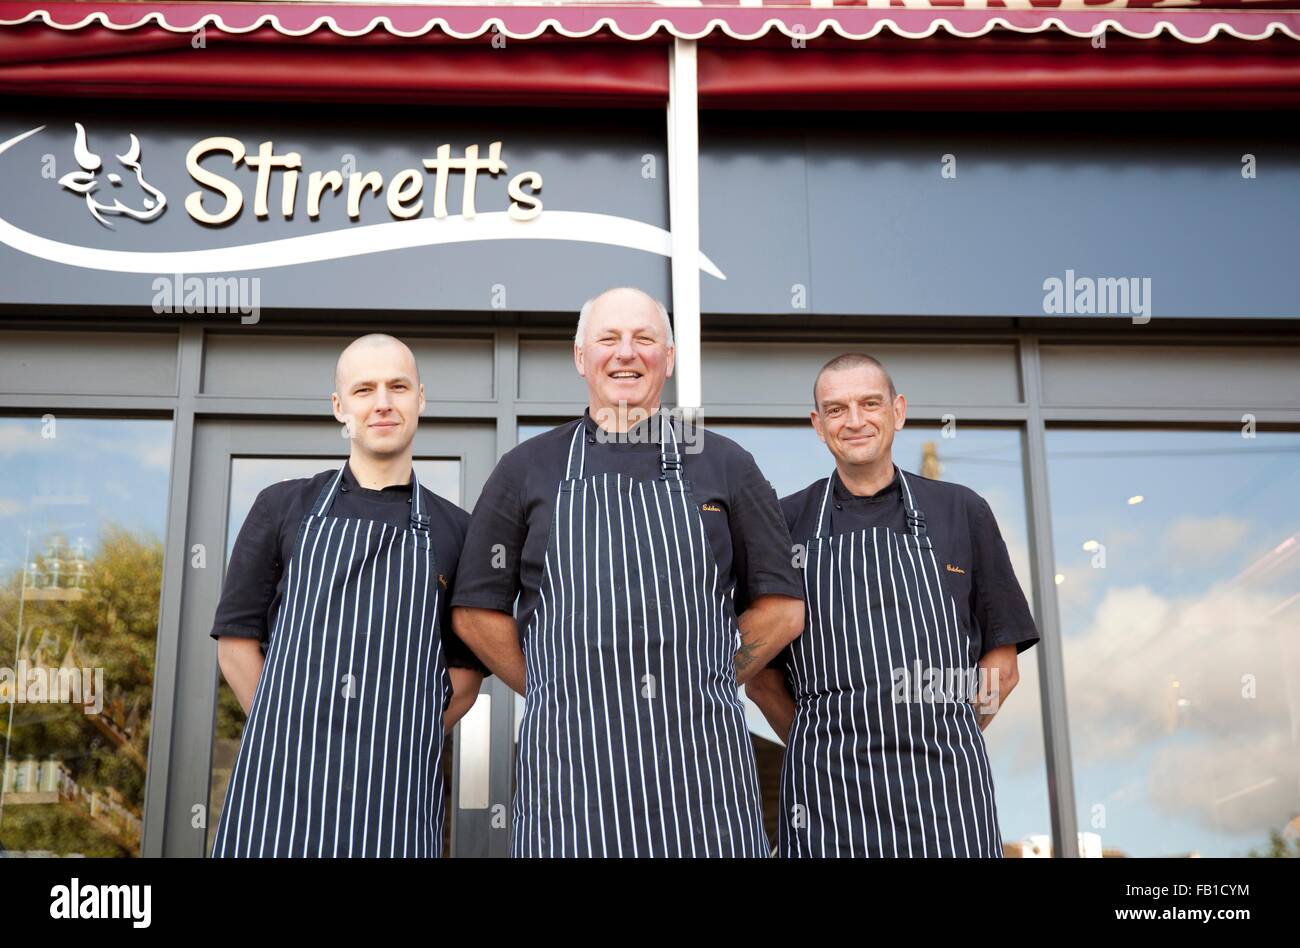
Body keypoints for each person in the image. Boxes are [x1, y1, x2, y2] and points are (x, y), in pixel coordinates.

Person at [452, 287, 805, 857]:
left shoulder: (725, 463)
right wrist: (552, 686)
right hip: (569, 777)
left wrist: (713, 673)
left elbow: (783, 609)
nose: (626, 354)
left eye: (644, 340)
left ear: (668, 358)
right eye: (609, 339)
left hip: (702, 773)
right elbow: (475, 613)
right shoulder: (527, 467)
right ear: (580, 357)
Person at [746, 352, 1039, 858]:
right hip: (826, 801)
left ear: (898, 412)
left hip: (946, 797)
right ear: (818, 425)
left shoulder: (961, 510)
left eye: (870, 403)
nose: (854, 421)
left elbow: (1001, 667)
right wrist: (816, 745)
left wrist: (950, 732)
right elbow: (760, 674)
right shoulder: (784, 522)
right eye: (836, 410)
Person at [210, 333, 485, 858]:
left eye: (398, 387)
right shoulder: (282, 507)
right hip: (280, 786)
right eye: (364, 389)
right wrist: (287, 732)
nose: (382, 402)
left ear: (420, 399)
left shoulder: (459, 531)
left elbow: (464, 676)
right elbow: (237, 643)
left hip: (395, 795)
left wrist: (399, 742)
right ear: (340, 406)